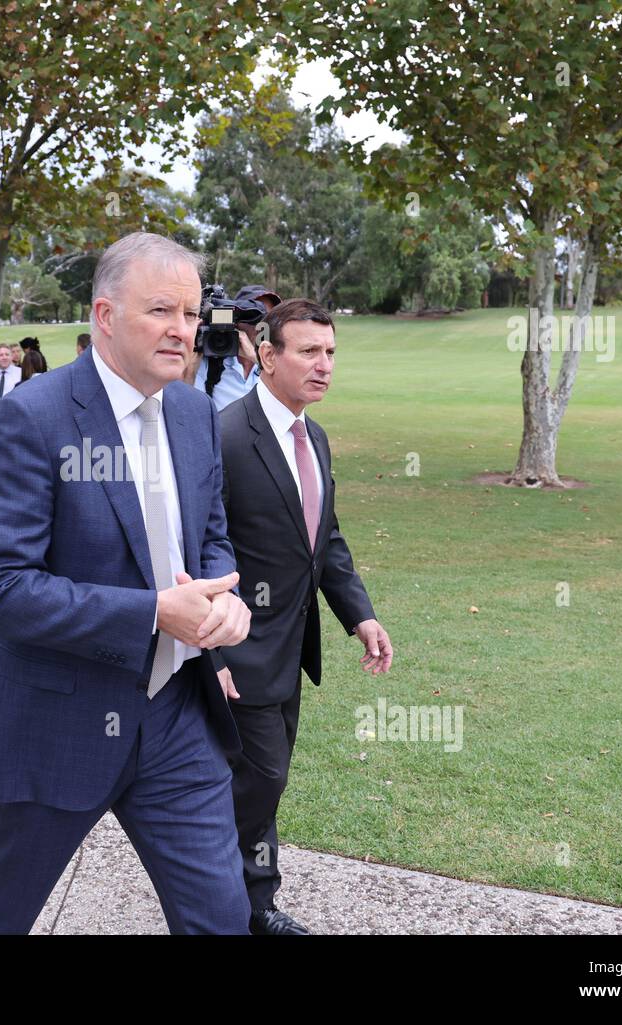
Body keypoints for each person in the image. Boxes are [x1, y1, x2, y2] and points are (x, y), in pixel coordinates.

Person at [0, 231, 254, 934]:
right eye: (161, 311)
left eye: (193, 314)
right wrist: (151, 613)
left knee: (222, 916)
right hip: (57, 718)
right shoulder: (33, 416)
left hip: (176, 718)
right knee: (2, 914)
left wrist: (223, 606)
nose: (182, 330)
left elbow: (210, 540)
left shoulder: (196, 414)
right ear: (105, 316)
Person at [215, 297, 393, 935]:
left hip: (291, 651)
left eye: (331, 353)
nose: (325, 366)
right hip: (237, 653)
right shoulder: (227, 437)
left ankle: (255, 903)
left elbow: (326, 540)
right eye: (310, 352)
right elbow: (199, 551)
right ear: (267, 356)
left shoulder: (311, 435)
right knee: (260, 777)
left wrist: (359, 616)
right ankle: (200, 880)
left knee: (265, 781)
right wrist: (212, 654)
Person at [185, 284, 281, 411]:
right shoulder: (212, 357)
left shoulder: (274, 365)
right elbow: (186, 404)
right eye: (253, 317)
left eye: (269, 319)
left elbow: (290, 395)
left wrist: (255, 358)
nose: (261, 326)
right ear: (236, 318)